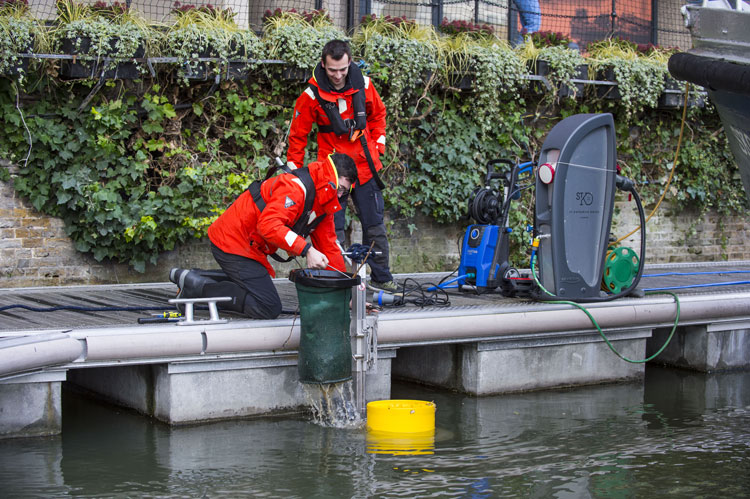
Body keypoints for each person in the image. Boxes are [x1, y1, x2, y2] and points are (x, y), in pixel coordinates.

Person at [169, 152, 358, 320]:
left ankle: (193, 277)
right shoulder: (295, 189)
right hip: (232, 242)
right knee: (268, 306)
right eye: (339, 188)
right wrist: (306, 249)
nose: (340, 195)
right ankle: (196, 288)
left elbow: (329, 247)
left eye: (344, 192)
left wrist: (345, 296)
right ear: (329, 180)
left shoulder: (323, 202)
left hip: (249, 247)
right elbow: (268, 225)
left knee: (259, 289)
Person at [286, 39, 398, 293]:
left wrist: (378, 145)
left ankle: (382, 277)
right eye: (332, 70)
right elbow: (298, 135)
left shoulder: (365, 86)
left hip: (365, 167)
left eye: (343, 69)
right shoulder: (310, 96)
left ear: (350, 64)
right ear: (323, 65)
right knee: (330, 228)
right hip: (331, 173)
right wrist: (294, 171)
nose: (337, 76)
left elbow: (379, 116)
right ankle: (335, 279)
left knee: (374, 226)